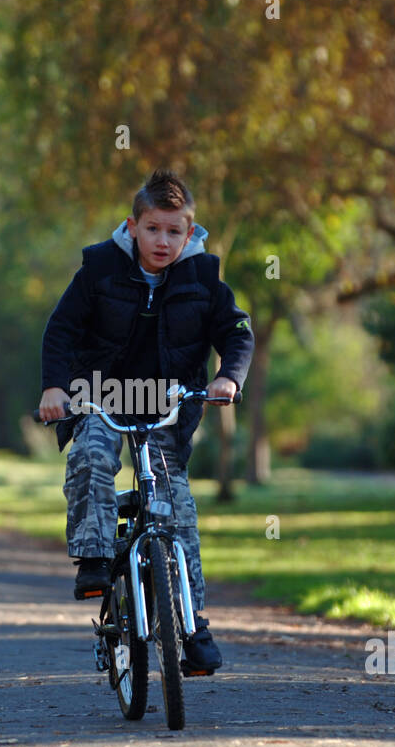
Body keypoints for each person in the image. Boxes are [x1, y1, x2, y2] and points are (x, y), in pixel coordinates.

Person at [38, 169, 254, 674]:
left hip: (166, 407)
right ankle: (93, 560)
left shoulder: (204, 278)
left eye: (174, 231)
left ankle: (192, 625)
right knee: (91, 454)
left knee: (178, 512)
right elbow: (61, 329)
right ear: (132, 226)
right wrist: (55, 388)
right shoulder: (99, 269)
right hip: (100, 397)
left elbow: (237, 332)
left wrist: (229, 378)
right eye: (153, 228)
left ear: (190, 232)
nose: (163, 241)